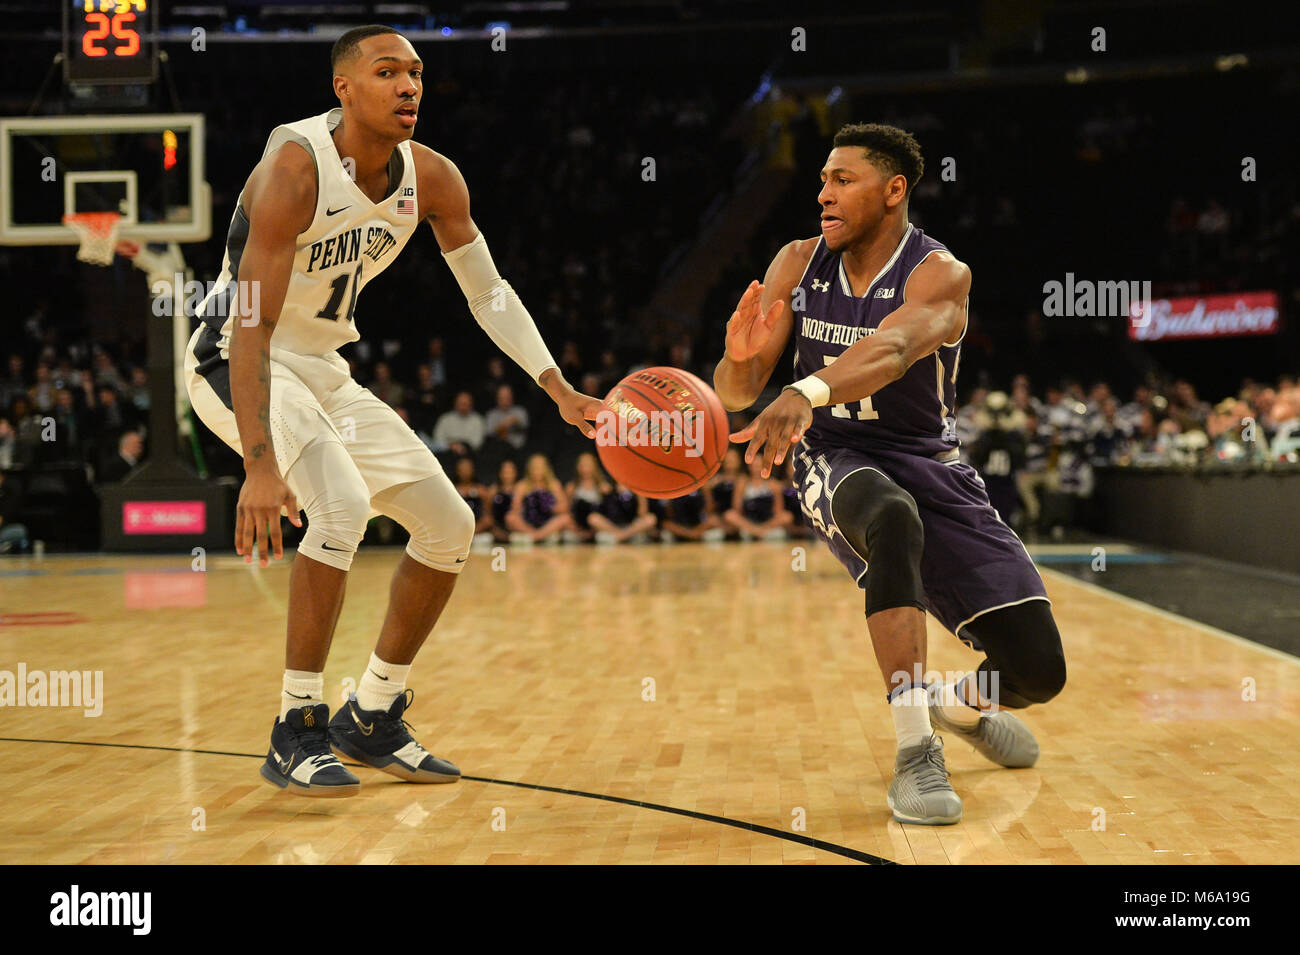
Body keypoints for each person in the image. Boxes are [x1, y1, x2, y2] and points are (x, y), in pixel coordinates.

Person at [183, 24, 601, 797]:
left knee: (450, 525)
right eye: (387, 72)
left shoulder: (433, 178)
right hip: (234, 354)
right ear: (343, 88)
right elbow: (249, 323)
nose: (408, 86)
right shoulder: (293, 169)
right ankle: (295, 723)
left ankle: (371, 710)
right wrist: (259, 466)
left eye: (415, 73)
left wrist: (558, 386)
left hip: (320, 365)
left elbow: (490, 291)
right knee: (337, 508)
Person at [714, 123, 1065, 825]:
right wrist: (737, 361)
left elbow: (895, 347)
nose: (823, 194)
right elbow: (736, 387)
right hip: (832, 451)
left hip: (929, 459)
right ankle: (915, 749)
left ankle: (954, 704)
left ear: (894, 189)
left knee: (1037, 669)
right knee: (888, 515)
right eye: (821, 180)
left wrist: (802, 389)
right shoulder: (795, 262)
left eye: (842, 180)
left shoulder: (940, 273)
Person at [505, 453, 571, 544]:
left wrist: (549, 506)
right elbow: (515, 508)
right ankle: (536, 535)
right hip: (527, 522)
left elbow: (564, 508)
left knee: (566, 518)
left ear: (546, 469)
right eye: (534, 467)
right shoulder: (522, 485)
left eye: (540, 467)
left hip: (547, 522)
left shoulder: (554, 484)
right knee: (510, 517)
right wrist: (527, 505)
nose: (537, 471)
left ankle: (537, 536)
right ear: (529, 469)